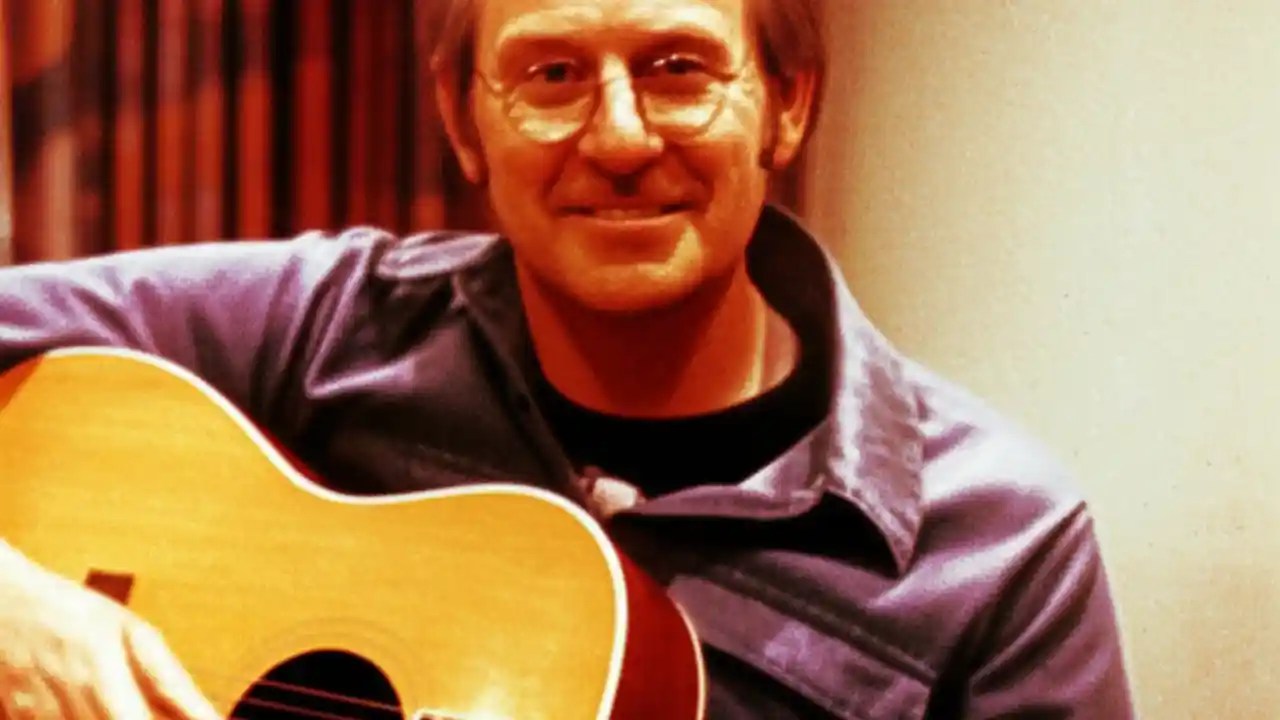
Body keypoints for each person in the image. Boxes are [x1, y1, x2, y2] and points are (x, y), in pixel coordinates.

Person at [0, 0, 1135, 717]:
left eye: (678, 66)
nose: (621, 138)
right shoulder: (329, 322)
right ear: (460, 120)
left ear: (786, 108)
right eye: (549, 76)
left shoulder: (997, 545)